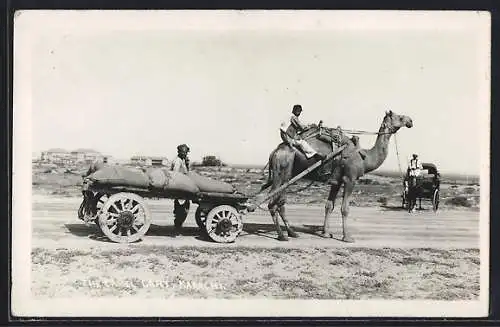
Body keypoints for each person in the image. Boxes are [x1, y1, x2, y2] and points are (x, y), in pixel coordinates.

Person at [171, 144, 191, 235]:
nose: (185, 154)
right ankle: (177, 228)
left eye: (186, 152)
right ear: (179, 152)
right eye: (183, 152)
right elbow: (175, 175)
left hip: (183, 187)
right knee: (181, 210)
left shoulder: (182, 160)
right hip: (179, 188)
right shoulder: (177, 161)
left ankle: (178, 227)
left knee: (184, 208)